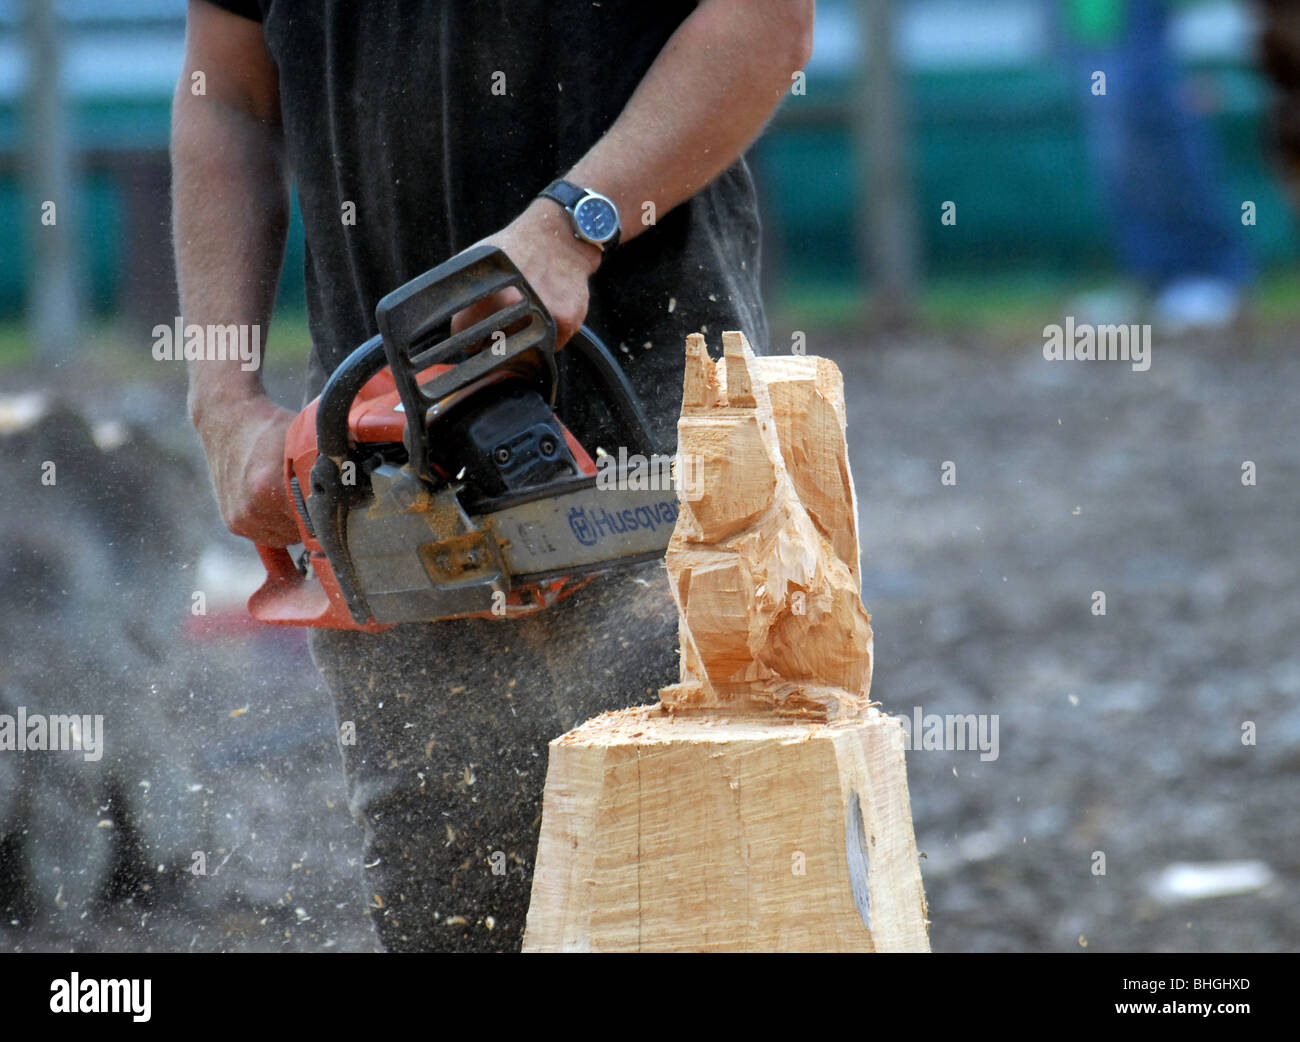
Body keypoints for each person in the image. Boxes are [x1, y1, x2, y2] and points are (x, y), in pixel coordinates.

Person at [171, 0, 812, 951]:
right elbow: (223, 88)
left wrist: (574, 224)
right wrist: (223, 396)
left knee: (700, 897)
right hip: (382, 453)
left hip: (645, 397)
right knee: (450, 908)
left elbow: (766, 19)